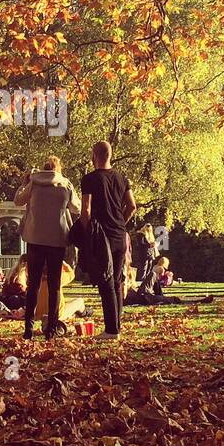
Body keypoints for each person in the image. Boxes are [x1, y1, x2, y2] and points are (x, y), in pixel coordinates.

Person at [15, 156, 81, 340]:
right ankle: (51, 329)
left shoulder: (34, 183)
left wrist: (24, 183)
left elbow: (18, 201)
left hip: (35, 238)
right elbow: (76, 208)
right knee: (54, 286)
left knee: (33, 285)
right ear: (59, 168)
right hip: (57, 239)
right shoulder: (65, 184)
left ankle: (28, 329)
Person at [80, 141, 137, 339]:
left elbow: (86, 210)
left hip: (102, 235)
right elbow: (132, 206)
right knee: (118, 280)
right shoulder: (122, 178)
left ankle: (112, 330)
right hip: (120, 235)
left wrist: (87, 231)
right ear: (110, 155)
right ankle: (117, 326)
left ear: (94, 156)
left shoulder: (89, 179)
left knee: (106, 281)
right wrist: (120, 220)